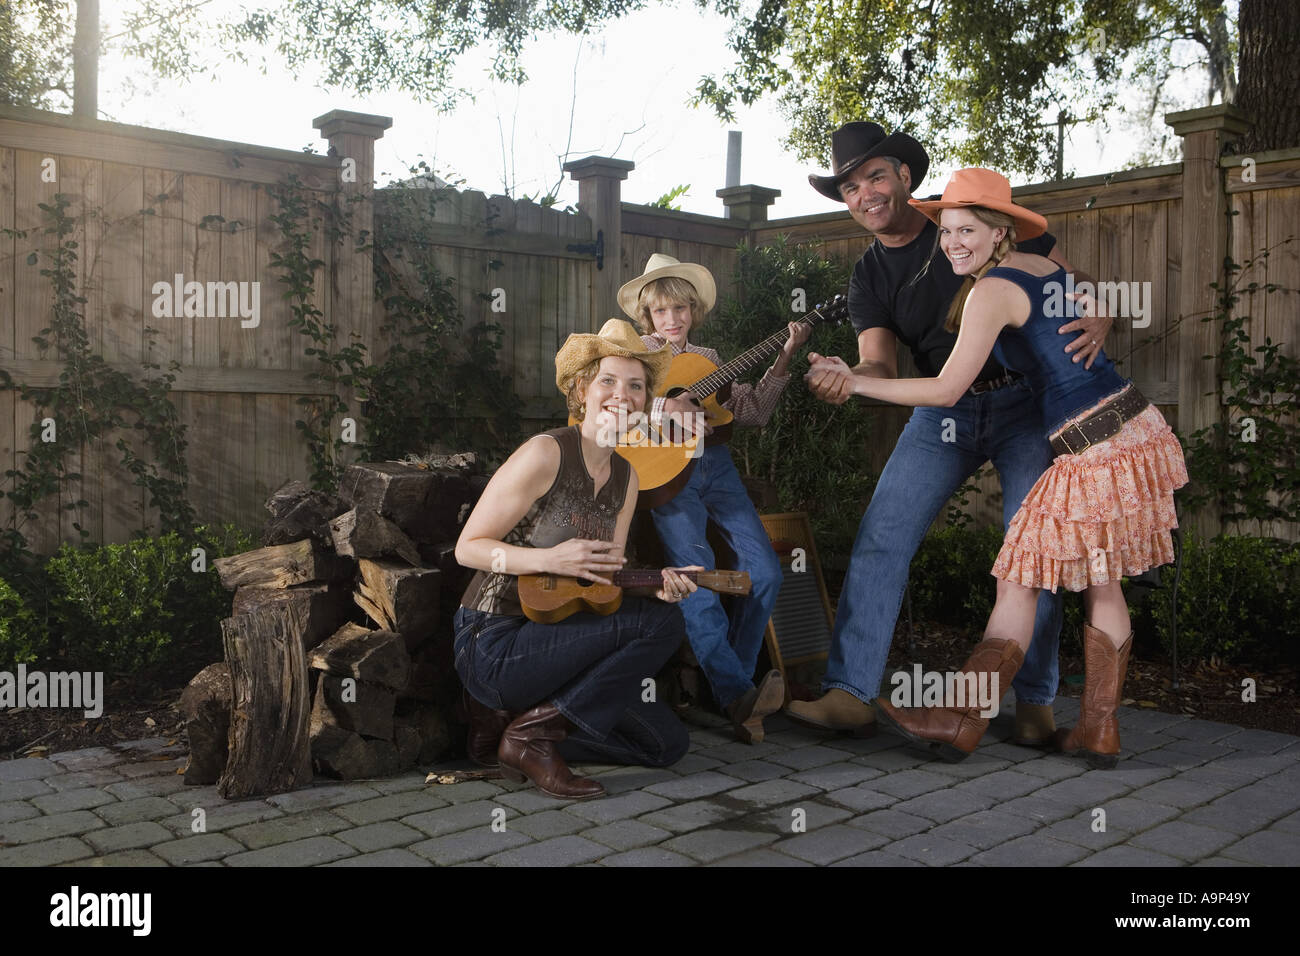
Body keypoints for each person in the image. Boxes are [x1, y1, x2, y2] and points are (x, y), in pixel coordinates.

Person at [810, 167, 1187, 767]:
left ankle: (960, 718)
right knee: (1101, 583)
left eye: (968, 230)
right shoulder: (1047, 270)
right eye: (948, 231)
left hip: (1087, 444)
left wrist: (856, 383)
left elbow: (945, 389)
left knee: (1020, 575)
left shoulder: (990, 291)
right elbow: (1076, 307)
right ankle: (1098, 730)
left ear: (999, 233)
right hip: (1129, 425)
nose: (954, 242)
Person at [789, 122, 1113, 746]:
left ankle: (1035, 703)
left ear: (905, 178)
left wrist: (1095, 308)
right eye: (851, 187)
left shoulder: (966, 225)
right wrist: (844, 376)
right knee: (882, 537)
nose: (865, 195)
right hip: (945, 411)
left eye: (875, 176)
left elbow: (1069, 281)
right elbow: (879, 366)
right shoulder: (869, 278)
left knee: (1029, 554)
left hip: (1025, 407)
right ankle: (851, 693)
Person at [452, 318, 697, 800]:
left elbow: (603, 578)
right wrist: (552, 559)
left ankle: (518, 726)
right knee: (662, 627)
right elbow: (469, 548)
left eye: (635, 385)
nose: (620, 396)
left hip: (558, 641)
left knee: (665, 745)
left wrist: (656, 585)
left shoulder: (628, 479)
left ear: (645, 399)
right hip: (493, 639)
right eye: (608, 380)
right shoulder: (545, 453)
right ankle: (531, 740)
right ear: (583, 388)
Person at [618, 253, 810, 743]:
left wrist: (786, 354)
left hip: (718, 470)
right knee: (696, 580)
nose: (672, 320)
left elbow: (752, 412)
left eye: (681, 309)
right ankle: (736, 695)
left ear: (694, 311)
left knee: (765, 572)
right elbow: (609, 402)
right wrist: (666, 403)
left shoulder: (706, 360)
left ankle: (735, 689)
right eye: (662, 312)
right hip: (669, 476)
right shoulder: (634, 353)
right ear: (648, 317)